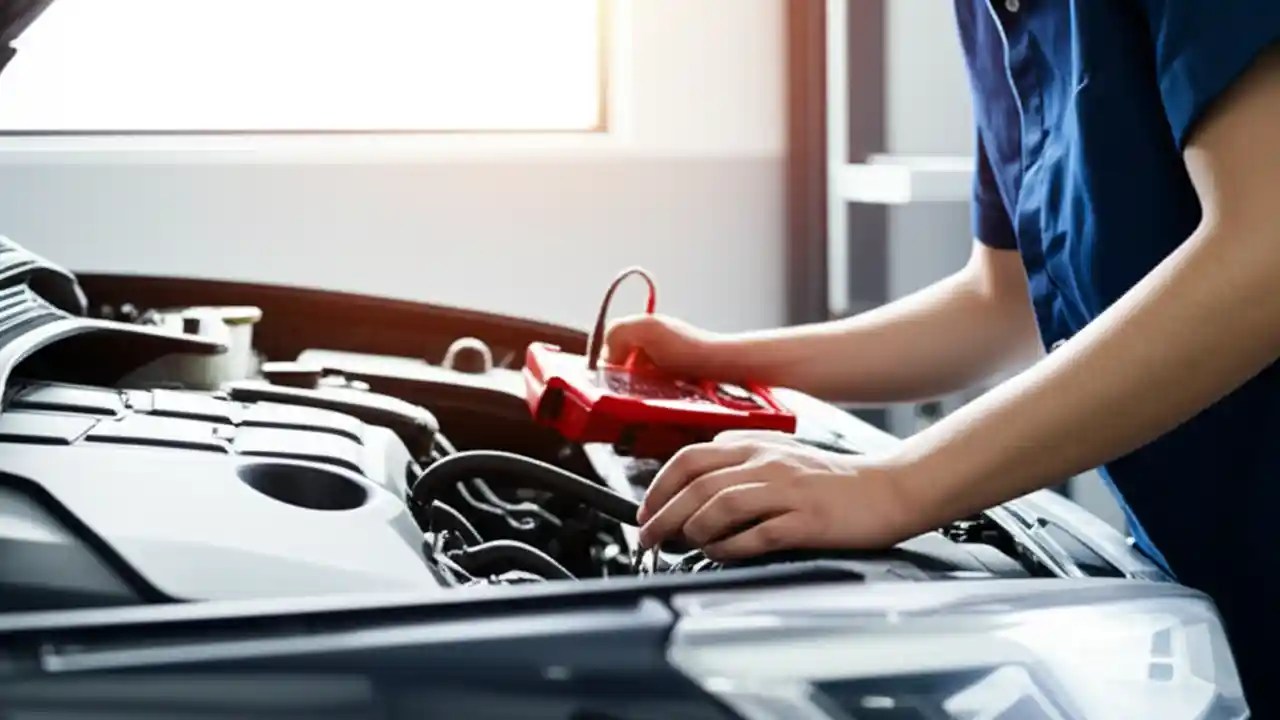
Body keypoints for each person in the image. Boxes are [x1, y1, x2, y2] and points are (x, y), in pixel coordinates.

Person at [605, 2, 1280, 712]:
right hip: (1210, 581)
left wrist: (894, 485)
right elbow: (999, 303)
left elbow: (1265, 257)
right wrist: (726, 364)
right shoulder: (993, 14)